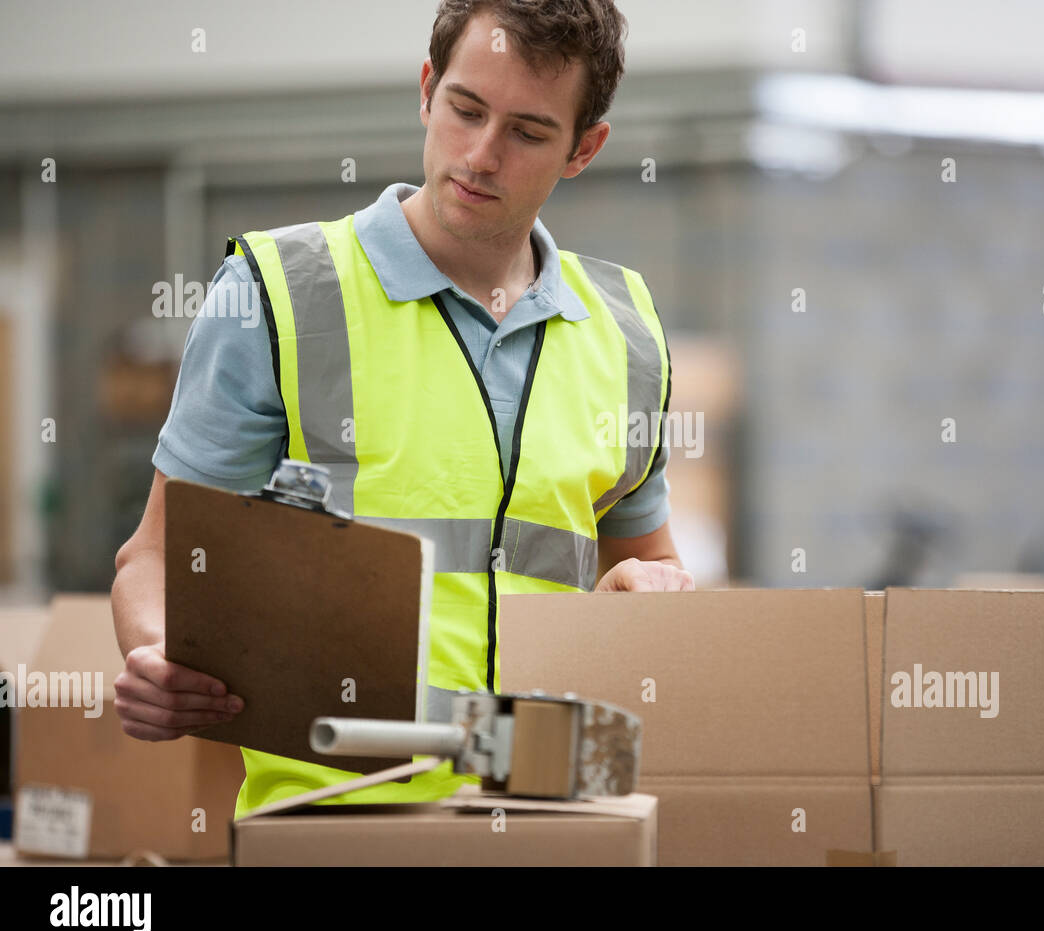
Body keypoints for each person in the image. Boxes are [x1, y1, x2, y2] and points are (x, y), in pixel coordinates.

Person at [110, 0, 693, 818]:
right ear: (426, 89)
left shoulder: (627, 331)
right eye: (465, 110)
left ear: (583, 149)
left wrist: (657, 590)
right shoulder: (278, 293)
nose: (481, 155)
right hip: (331, 822)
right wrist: (154, 654)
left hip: (556, 824)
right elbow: (157, 558)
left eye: (527, 132)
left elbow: (648, 571)